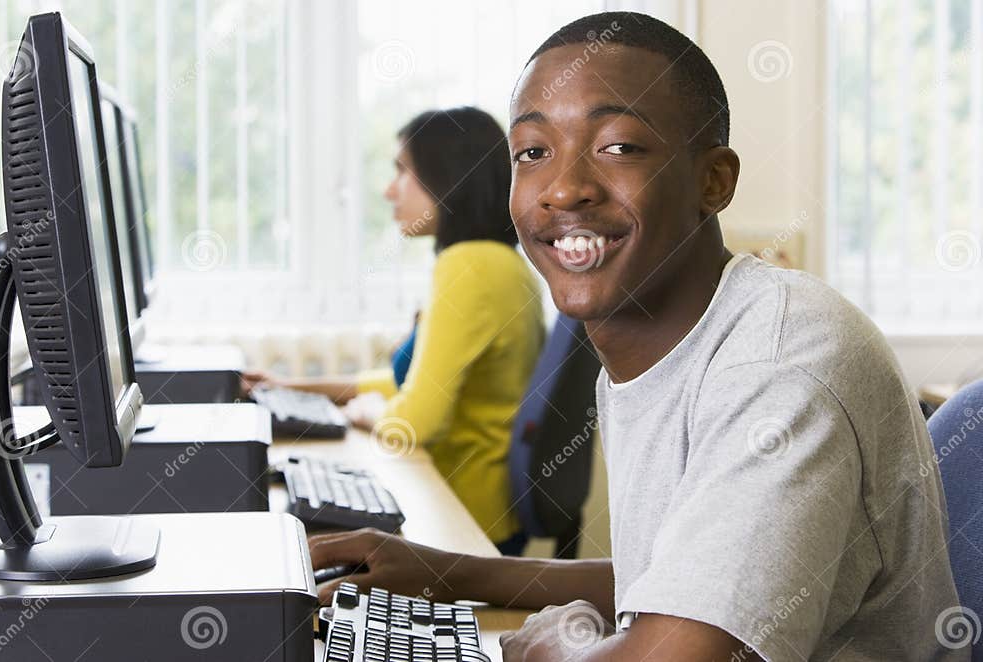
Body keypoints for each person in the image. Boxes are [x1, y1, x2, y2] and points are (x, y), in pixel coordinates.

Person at [307, 12, 967, 662]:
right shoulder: (659, 342)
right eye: (533, 152)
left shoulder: (779, 365)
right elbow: (678, 581)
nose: (563, 188)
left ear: (715, 181)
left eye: (618, 145)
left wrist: (559, 647)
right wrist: (446, 572)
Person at [247, 107, 545, 554]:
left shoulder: (470, 268)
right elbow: (405, 382)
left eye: (403, 172)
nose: (389, 190)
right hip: (465, 505)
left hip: (461, 522)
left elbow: (414, 422)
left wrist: (367, 415)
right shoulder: (498, 262)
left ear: (448, 179)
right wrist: (296, 388)